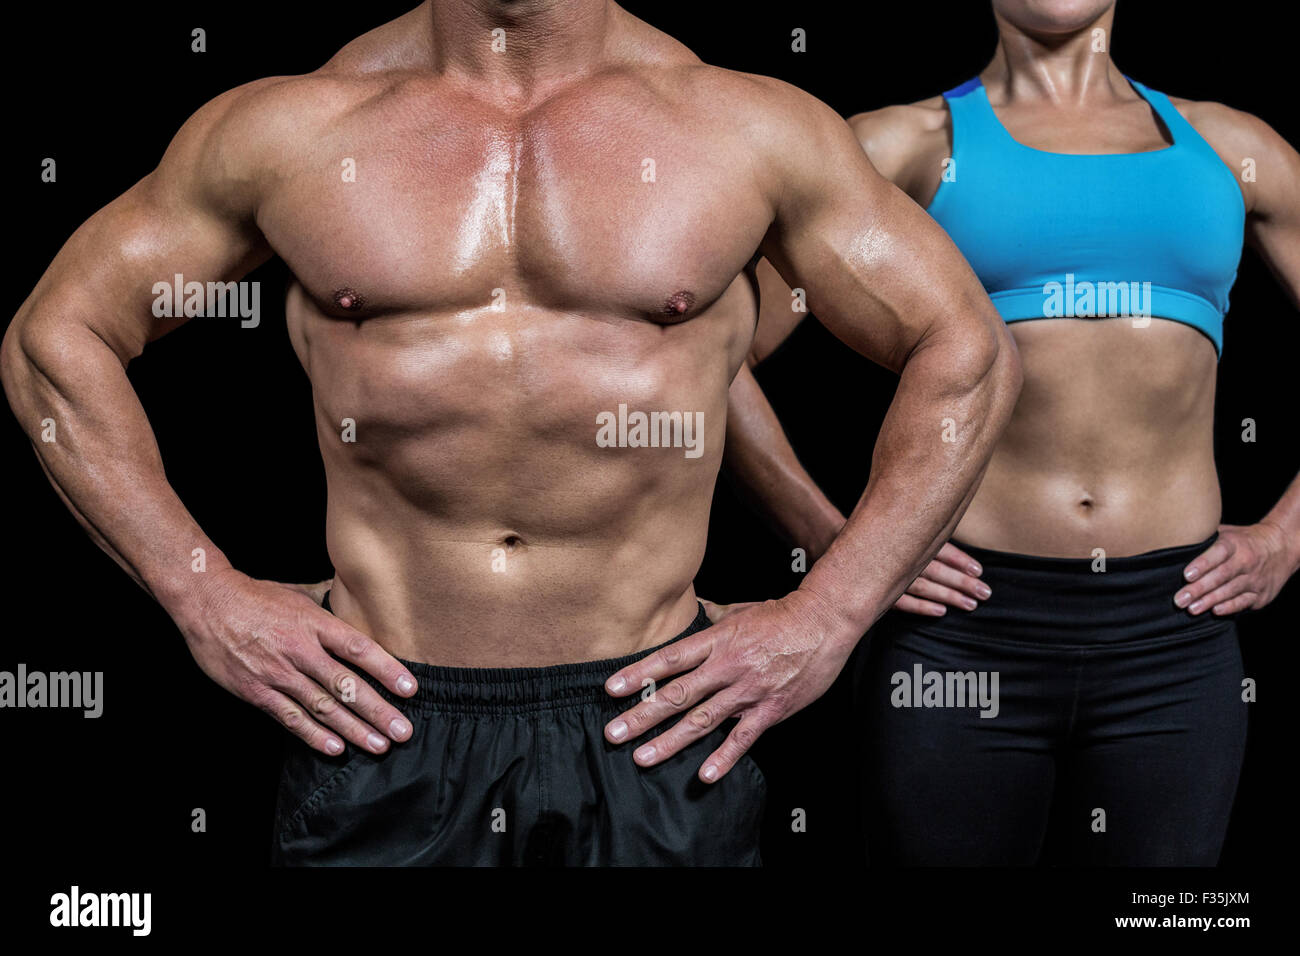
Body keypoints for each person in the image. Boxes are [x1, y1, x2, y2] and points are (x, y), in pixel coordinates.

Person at [0, 0, 1020, 865]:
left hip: (658, 721)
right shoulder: (296, 126)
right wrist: (200, 590)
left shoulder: (744, 127)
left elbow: (963, 348)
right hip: (378, 720)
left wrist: (828, 616)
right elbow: (57, 337)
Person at [702, 0, 1300, 865]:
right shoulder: (902, 145)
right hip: (962, 630)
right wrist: (831, 537)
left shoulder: (1232, 150)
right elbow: (707, 360)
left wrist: (1287, 537)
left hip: (1174, 631)